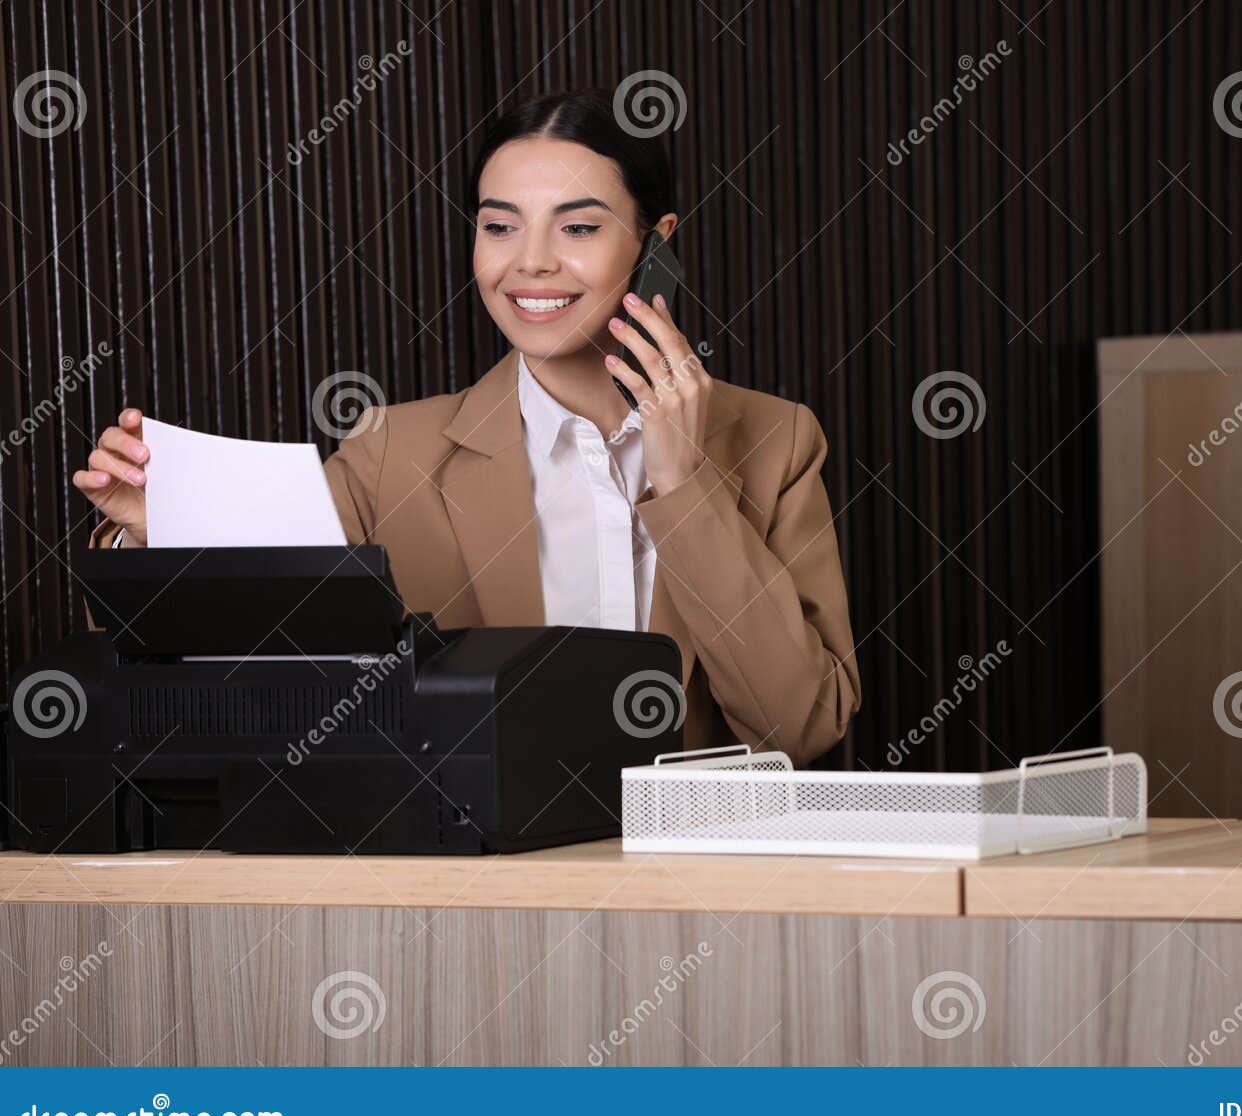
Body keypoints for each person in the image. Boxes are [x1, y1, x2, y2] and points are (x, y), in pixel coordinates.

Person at [74, 88, 859, 764]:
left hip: (699, 892)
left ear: (657, 246)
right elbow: (246, 657)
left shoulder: (775, 440)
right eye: (500, 226)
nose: (532, 263)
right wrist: (160, 538)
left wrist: (686, 484)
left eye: (578, 228)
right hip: (474, 904)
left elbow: (801, 724)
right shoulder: (392, 455)